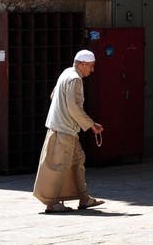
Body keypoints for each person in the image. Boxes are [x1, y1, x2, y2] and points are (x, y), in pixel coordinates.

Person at [33, 49, 105, 213]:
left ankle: (84, 198)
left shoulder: (66, 73)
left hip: (64, 129)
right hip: (64, 131)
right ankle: (52, 203)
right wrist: (91, 124)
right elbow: (74, 108)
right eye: (91, 66)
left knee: (78, 160)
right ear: (83, 64)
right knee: (59, 166)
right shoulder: (75, 80)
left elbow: (53, 95)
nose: (92, 70)